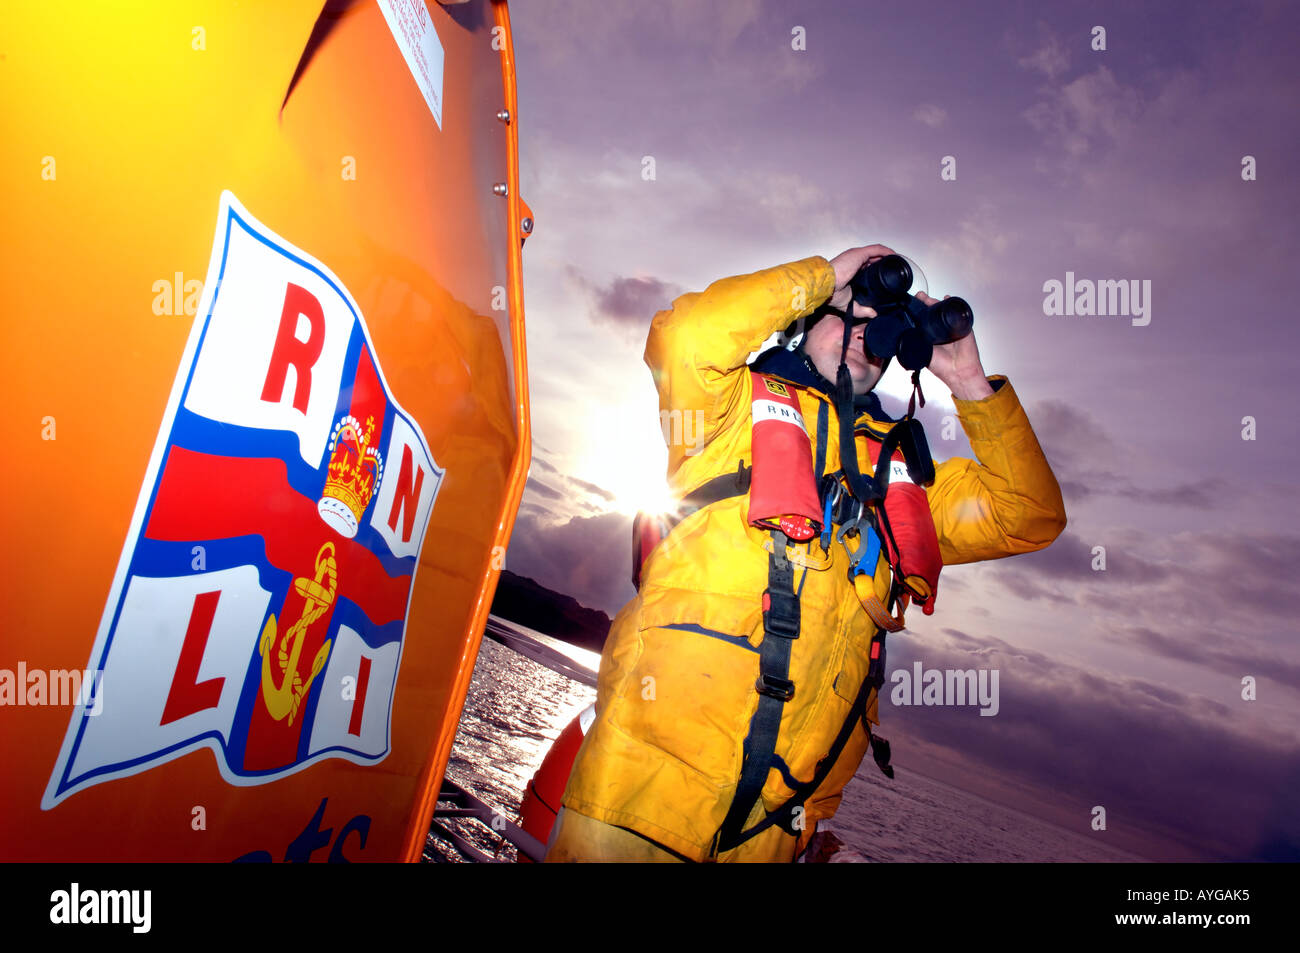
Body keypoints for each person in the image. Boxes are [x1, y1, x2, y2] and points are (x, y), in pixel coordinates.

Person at [544, 243, 1067, 862]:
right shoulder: (726, 408)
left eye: (881, 328)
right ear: (806, 315)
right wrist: (826, 277)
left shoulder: (906, 479)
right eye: (847, 313)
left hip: (773, 836)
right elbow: (685, 335)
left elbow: (1029, 514)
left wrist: (973, 387)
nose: (862, 334)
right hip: (641, 803)